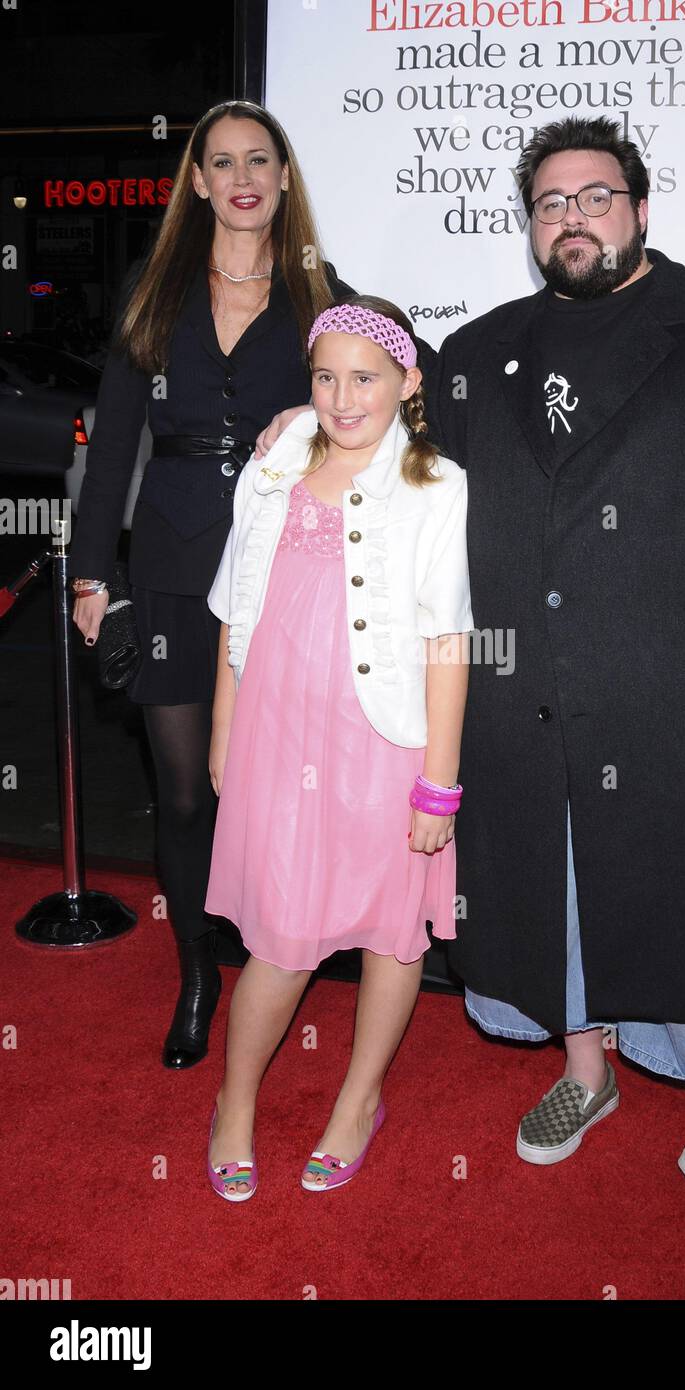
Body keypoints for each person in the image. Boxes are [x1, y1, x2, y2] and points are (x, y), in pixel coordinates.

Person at [254, 117, 685, 1244]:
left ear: (637, 207)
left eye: (595, 195)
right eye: (548, 202)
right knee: (564, 896)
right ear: (529, 226)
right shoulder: (482, 354)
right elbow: (383, 439)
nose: (571, 216)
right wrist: (300, 436)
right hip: (531, 703)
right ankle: (589, 1068)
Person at [69, 99, 354, 1069]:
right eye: (221, 162)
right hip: (176, 565)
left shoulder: (317, 291)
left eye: (259, 161)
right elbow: (112, 446)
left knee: (275, 791)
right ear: (196, 181)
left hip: (287, 567)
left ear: (282, 178)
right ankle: (197, 972)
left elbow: (402, 376)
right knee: (187, 793)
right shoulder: (158, 289)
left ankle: (277, 956)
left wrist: (312, 421)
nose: (241, 177)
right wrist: (89, 574)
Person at [203, 296, 473, 1200]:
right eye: (326, 376)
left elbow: (448, 640)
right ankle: (234, 1104)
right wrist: (222, 727)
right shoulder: (274, 466)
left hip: (384, 740)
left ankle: (358, 1100)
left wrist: (438, 785)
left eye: (366, 376)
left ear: (408, 382)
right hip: (278, 739)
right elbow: (235, 607)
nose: (344, 396)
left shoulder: (438, 485)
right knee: (280, 935)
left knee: (393, 934)